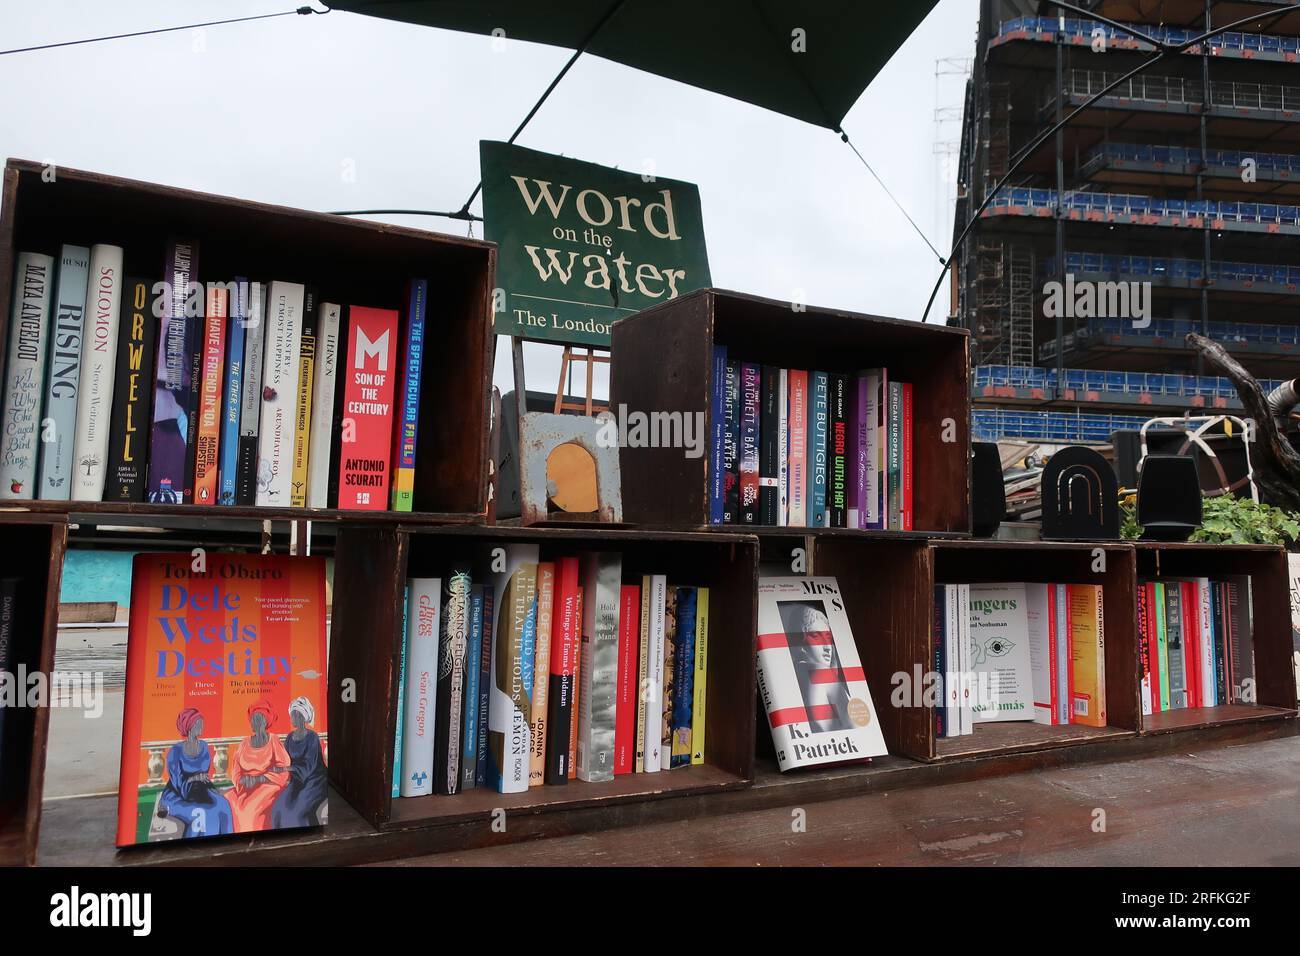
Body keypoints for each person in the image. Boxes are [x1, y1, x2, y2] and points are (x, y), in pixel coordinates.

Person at [156, 707, 233, 839]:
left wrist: (207, 786)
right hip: (178, 795)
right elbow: (178, 783)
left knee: (223, 804)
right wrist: (195, 778)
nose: (202, 726)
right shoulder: (175, 751)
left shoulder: (203, 747)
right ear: (190, 726)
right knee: (203, 812)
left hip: (200, 791)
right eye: (198, 723)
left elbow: (204, 776)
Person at [227, 698, 290, 832]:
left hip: (267, 786)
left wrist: (260, 779)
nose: (255, 722)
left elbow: (283, 768)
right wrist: (242, 781)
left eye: (258, 718)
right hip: (245, 787)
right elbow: (235, 770)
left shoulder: (273, 740)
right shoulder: (244, 743)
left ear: (265, 721)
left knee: (251, 810)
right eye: (253, 719)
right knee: (228, 800)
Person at [271, 696, 328, 828]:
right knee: (278, 808)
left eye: (294, 715)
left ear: (301, 717)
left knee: (298, 812)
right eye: (291, 715)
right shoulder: (290, 737)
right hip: (297, 780)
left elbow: (309, 765)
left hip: (315, 780)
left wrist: (287, 769)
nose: (291, 719)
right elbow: (284, 759)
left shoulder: (312, 737)